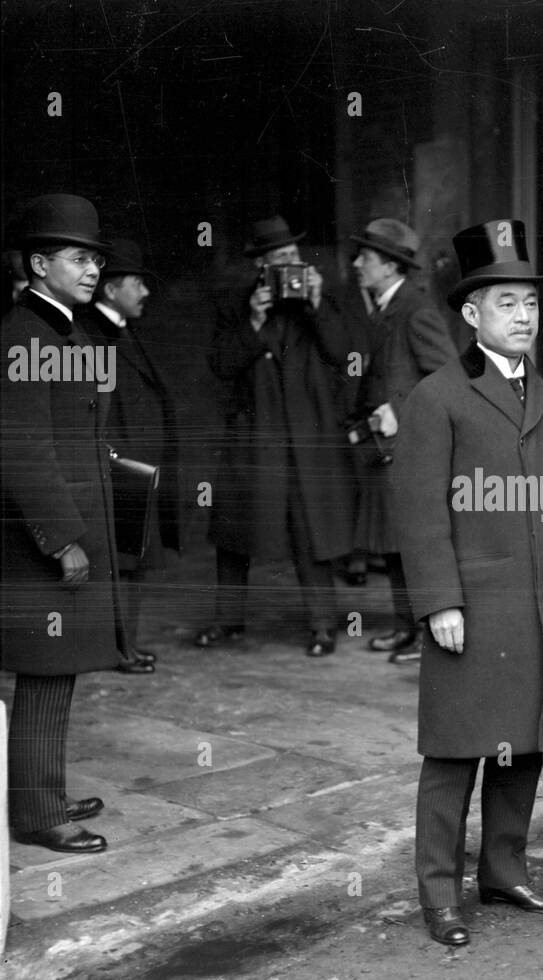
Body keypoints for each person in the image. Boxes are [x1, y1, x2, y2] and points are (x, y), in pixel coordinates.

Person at [391, 219, 543, 947]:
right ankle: (439, 893)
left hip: (540, 603)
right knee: (455, 751)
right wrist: (439, 602)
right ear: (471, 315)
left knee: (526, 742)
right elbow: (418, 515)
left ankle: (504, 869)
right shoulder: (437, 398)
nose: (524, 316)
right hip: (473, 608)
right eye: (506, 303)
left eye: (530, 304)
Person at [0, 193, 117, 854]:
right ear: (38, 263)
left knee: (57, 673)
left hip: (62, 533)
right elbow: (25, 449)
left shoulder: (61, 329)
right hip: (43, 542)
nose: (92, 270)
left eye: (96, 259)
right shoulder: (27, 334)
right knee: (46, 674)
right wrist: (62, 539)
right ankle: (37, 813)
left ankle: (43, 792)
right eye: (78, 257)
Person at [196, 215, 354, 656]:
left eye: (293, 256)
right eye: (279, 259)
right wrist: (252, 319)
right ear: (261, 266)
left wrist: (318, 304)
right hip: (253, 439)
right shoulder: (237, 304)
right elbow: (221, 365)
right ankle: (227, 621)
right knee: (233, 531)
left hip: (306, 441)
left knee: (311, 533)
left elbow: (344, 354)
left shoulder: (321, 301)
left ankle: (323, 627)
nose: (290, 265)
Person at [345, 218, 457, 663]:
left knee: (412, 543)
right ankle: (405, 627)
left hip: (410, 448)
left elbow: (448, 375)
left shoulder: (415, 309)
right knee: (394, 543)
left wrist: (400, 406)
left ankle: (424, 636)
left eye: (366, 258)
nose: (357, 265)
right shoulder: (384, 306)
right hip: (385, 449)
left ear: (391, 267)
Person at [82, 238, 180, 674]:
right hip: (120, 468)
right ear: (110, 289)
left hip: (138, 470)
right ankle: (119, 648)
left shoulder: (122, 329)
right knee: (121, 563)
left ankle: (127, 645)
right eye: (136, 283)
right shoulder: (93, 335)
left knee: (131, 562)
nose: (144, 292)